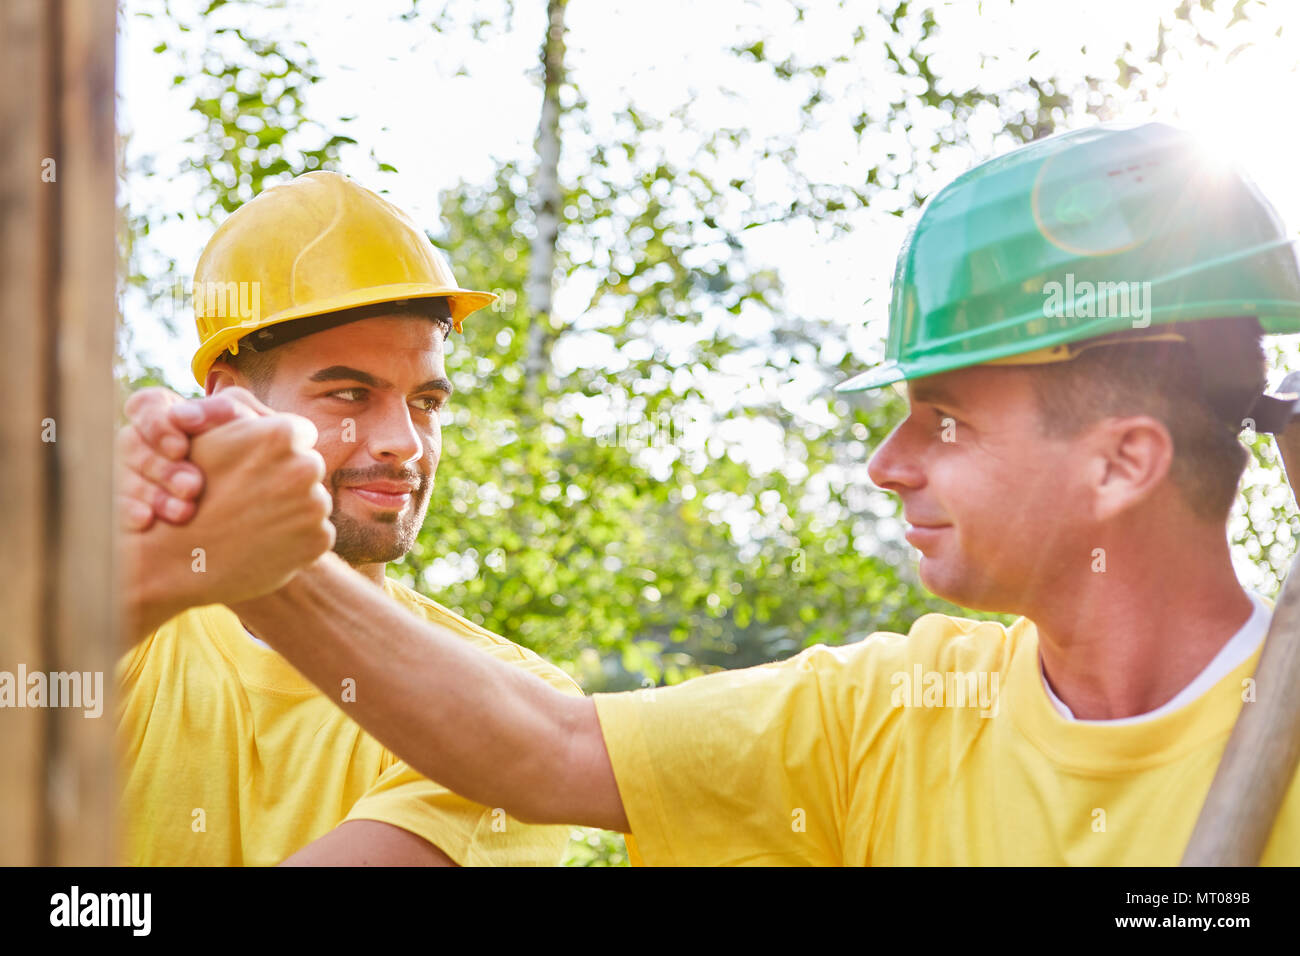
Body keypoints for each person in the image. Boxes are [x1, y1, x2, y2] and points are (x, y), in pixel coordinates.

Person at [122, 123, 1300, 864]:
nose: (887, 464)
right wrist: (204, 548)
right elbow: (545, 747)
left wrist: (244, 547)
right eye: (344, 391)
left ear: (1122, 461)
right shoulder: (882, 716)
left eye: (944, 420)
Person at [117, 171, 583, 866]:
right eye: (348, 393)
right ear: (231, 402)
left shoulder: (520, 710)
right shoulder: (128, 642)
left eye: (426, 401)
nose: (405, 441)